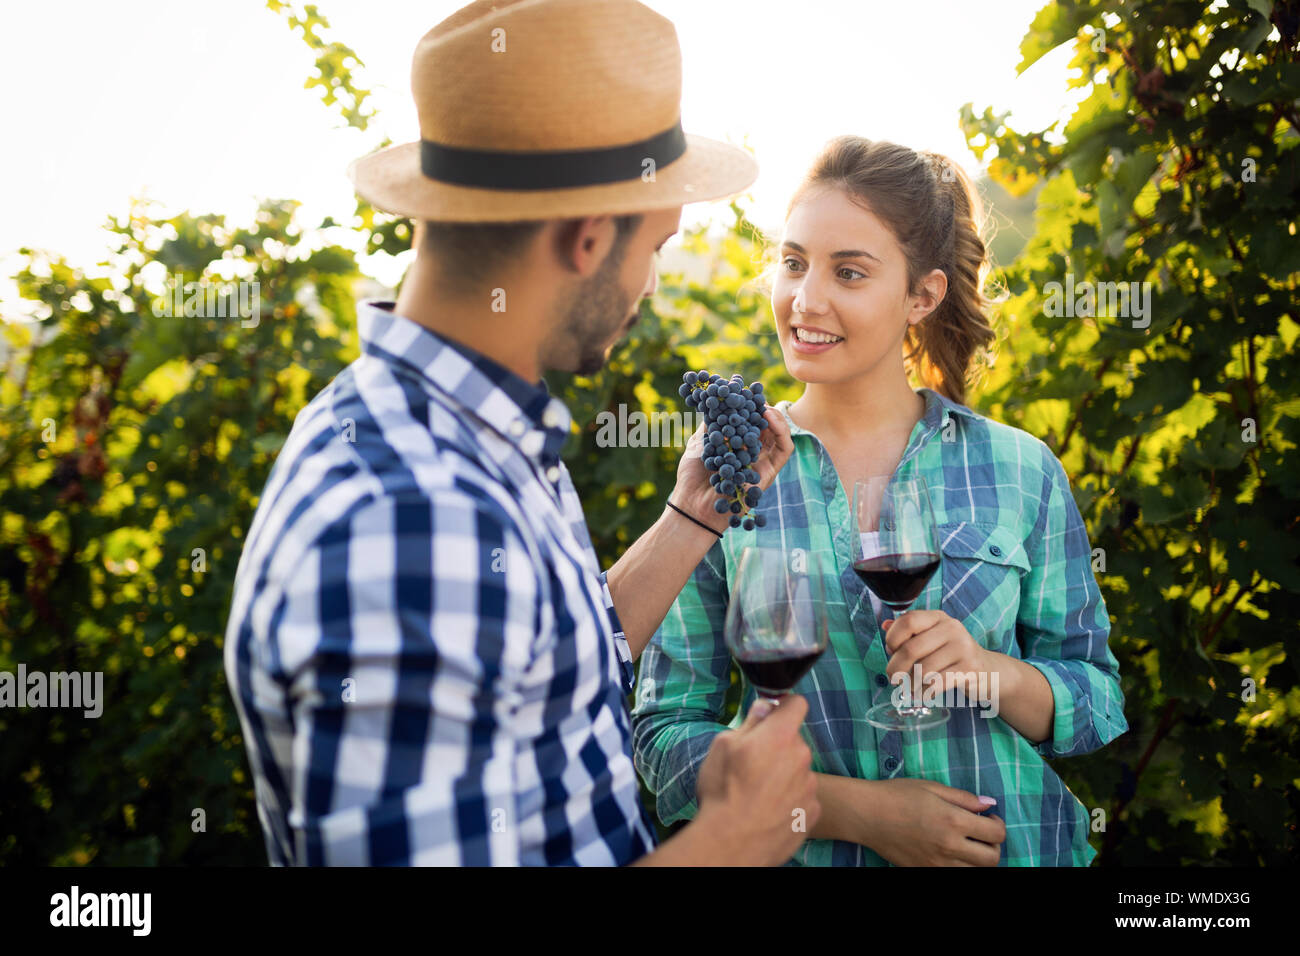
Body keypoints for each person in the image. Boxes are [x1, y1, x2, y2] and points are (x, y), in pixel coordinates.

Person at [223, 0, 819, 866]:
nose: (652, 283)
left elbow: (546, 673)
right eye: (656, 244)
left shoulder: (462, 432)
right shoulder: (411, 519)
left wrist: (694, 514)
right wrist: (729, 842)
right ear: (586, 239)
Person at [632, 136, 1129, 866]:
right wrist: (853, 813)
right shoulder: (726, 475)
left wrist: (993, 674)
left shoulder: (1020, 469)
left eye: (850, 273)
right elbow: (665, 740)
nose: (806, 300)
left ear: (922, 296)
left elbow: (1096, 700)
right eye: (794, 263)